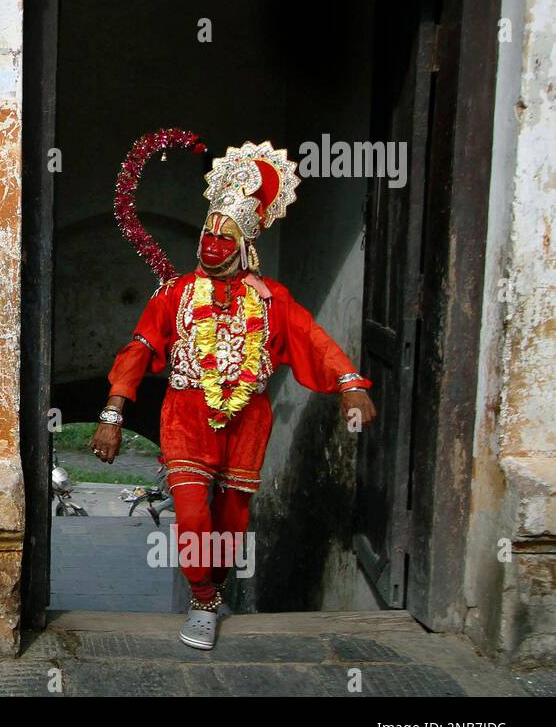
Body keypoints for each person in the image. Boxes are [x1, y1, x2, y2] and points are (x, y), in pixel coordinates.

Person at [90, 141, 376, 650]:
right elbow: (138, 349)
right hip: (185, 414)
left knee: (231, 518)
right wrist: (113, 413)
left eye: (226, 237)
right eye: (208, 234)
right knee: (194, 513)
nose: (212, 245)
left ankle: (212, 588)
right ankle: (202, 599)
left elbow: (314, 340)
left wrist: (350, 385)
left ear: (245, 247)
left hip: (247, 419)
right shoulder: (175, 294)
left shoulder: (273, 301)